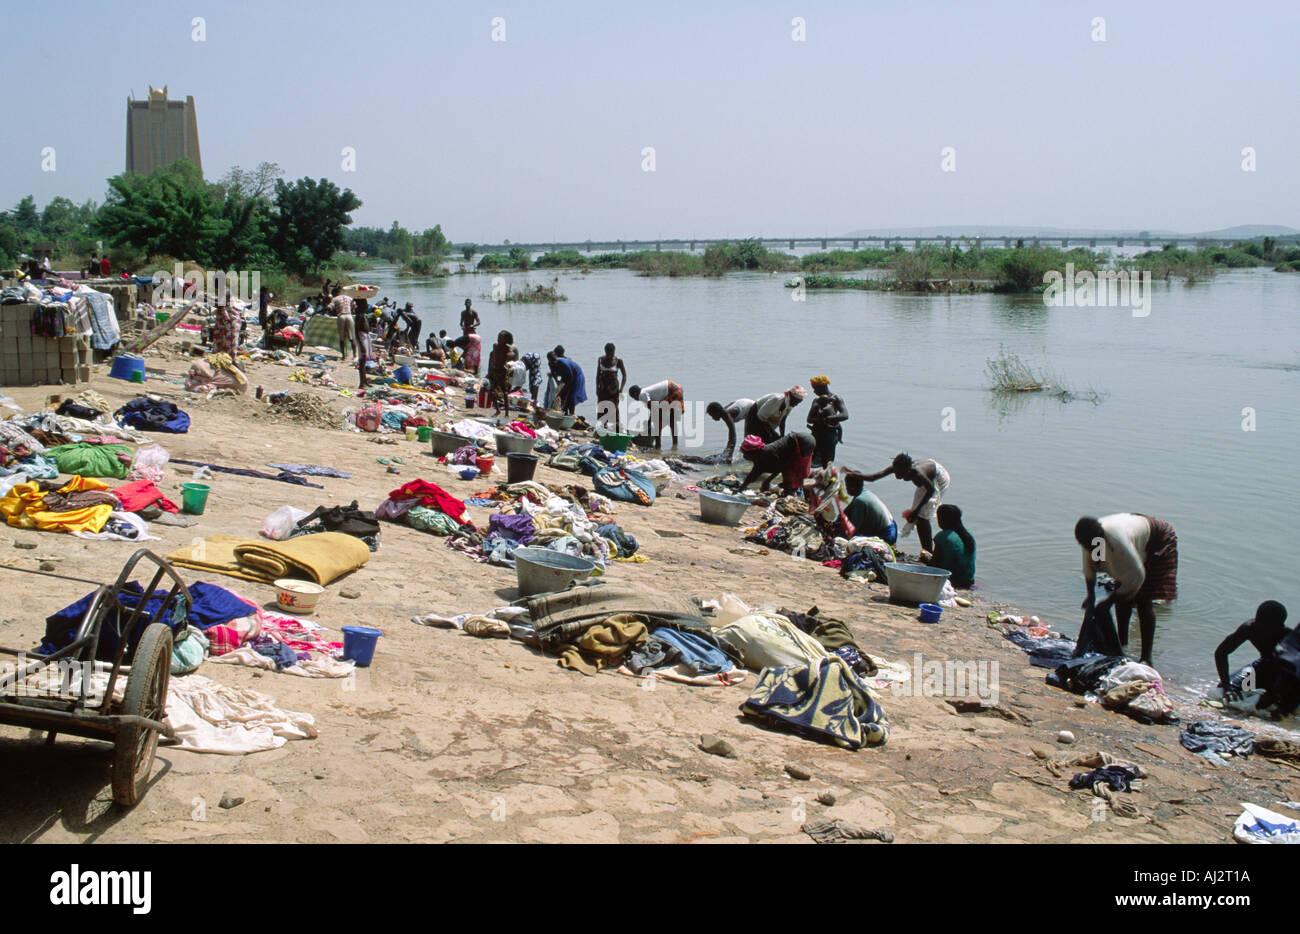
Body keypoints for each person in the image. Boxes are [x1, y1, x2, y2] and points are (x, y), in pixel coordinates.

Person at [1074, 513, 1179, 666]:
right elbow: (1091, 568)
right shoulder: (1090, 540)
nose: (1089, 550)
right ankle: (1121, 645)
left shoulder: (1118, 541)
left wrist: (1109, 601)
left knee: (1144, 600)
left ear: (1100, 539)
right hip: (1133, 534)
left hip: (1158, 538)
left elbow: (1138, 576)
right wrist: (1091, 596)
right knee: (1123, 596)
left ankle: (1146, 658)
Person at [852, 453, 950, 553]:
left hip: (938, 479)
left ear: (907, 470)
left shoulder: (918, 473)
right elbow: (874, 477)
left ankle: (928, 552)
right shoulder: (897, 467)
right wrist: (853, 474)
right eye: (894, 471)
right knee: (918, 516)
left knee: (921, 516)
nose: (896, 475)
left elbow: (931, 490)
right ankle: (926, 550)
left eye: (898, 473)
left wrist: (916, 511)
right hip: (927, 480)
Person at [1215, 601, 1289, 701]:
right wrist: (1227, 688)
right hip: (1263, 666)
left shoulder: (1289, 638)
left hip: (1285, 674)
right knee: (1224, 689)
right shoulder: (1250, 628)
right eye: (1259, 622)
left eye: (1266, 625)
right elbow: (1221, 653)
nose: (1260, 626)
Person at [738, 431, 816, 494]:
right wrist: (741, 488)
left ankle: (811, 492)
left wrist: (767, 481)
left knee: (801, 476)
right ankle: (792, 491)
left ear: (753, 452)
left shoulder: (768, 452)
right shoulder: (760, 457)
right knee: (792, 477)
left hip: (803, 443)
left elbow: (781, 466)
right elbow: (754, 473)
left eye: (745, 454)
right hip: (797, 444)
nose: (745, 457)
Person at [924, 504, 976, 588]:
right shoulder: (968, 537)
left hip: (951, 582)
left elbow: (934, 566)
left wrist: (926, 559)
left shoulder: (943, 536)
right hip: (969, 582)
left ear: (943, 519)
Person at [806, 375, 849, 467]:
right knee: (811, 459)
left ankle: (827, 478)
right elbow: (809, 419)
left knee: (828, 461)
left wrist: (829, 419)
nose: (814, 391)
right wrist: (819, 420)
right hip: (817, 433)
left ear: (823, 387)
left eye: (816, 389)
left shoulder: (836, 399)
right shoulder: (816, 401)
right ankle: (811, 478)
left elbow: (845, 415)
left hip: (830, 433)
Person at [627, 380, 684, 449]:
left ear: (636, 393)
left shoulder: (641, 395)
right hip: (676, 388)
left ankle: (658, 446)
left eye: (633, 397)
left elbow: (653, 410)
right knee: (671, 421)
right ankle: (675, 446)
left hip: (671, 391)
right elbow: (654, 409)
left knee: (658, 422)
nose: (635, 399)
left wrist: (649, 422)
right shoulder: (646, 392)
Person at [843, 472, 897, 544]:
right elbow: (847, 510)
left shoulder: (859, 501)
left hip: (887, 535)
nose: (846, 488)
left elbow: (852, 530)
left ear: (854, 486)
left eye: (847, 485)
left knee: (855, 539)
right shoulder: (863, 493)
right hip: (892, 525)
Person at [595, 343, 627, 431]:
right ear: (605, 351)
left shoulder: (618, 360)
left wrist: (621, 389)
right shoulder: (600, 360)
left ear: (614, 351)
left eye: (611, 353)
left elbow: (624, 376)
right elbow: (598, 375)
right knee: (602, 409)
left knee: (613, 409)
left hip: (613, 389)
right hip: (602, 388)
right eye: (608, 353)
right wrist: (597, 388)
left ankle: (615, 429)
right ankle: (602, 430)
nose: (609, 355)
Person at [488, 330, 520, 416]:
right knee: (492, 391)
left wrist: (508, 355)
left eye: (502, 338)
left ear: (507, 340)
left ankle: (506, 413)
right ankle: (498, 410)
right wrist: (489, 371)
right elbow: (492, 358)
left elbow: (512, 355)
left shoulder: (507, 349)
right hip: (494, 370)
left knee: (505, 392)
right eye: (499, 337)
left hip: (502, 371)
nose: (499, 339)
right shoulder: (495, 346)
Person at [547, 351, 588, 416]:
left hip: (576, 376)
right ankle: (564, 414)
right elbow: (554, 373)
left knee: (571, 396)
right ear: (549, 360)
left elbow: (570, 381)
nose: (554, 362)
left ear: (556, 358)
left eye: (554, 360)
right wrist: (557, 382)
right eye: (551, 361)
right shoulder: (550, 364)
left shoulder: (564, 364)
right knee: (562, 396)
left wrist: (562, 391)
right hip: (566, 376)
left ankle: (572, 414)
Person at [210, 290, 242, 359]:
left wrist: (207, 299)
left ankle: (229, 361)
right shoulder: (222, 291)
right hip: (224, 321)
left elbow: (220, 304)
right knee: (220, 341)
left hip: (230, 321)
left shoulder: (226, 291)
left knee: (229, 343)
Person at [329, 287, 355, 360]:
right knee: (351, 337)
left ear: (334, 293)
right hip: (349, 316)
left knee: (342, 338)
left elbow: (330, 308)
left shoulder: (334, 299)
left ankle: (343, 356)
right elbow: (354, 306)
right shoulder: (348, 297)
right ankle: (355, 355)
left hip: (341, 317)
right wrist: (352, 310)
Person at [354, 298, 373, 389]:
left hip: (365, 336)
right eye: (365, 303)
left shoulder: (362, 314)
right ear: (361, 305)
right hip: (361, 337)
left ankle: (365, 381)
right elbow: (356, 331)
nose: (367, 305)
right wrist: (361, 345)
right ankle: (362, 383)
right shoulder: (359, 316)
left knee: (364, 360)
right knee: (362, 361)